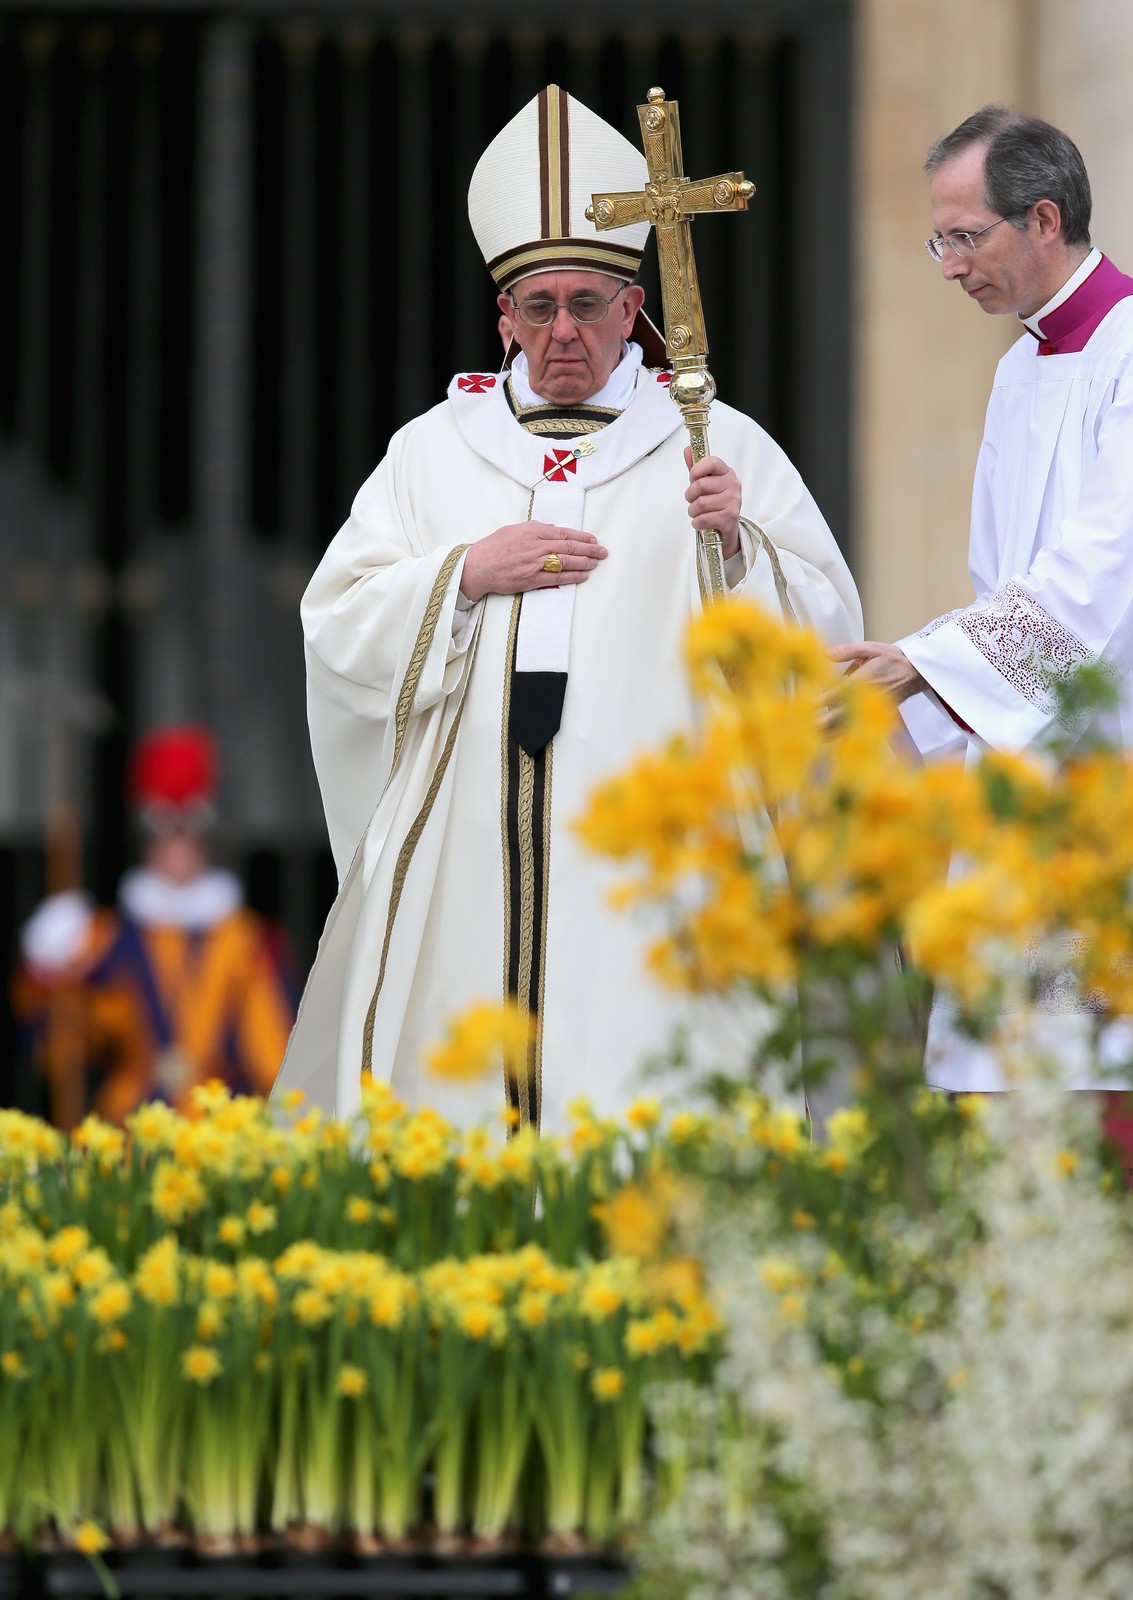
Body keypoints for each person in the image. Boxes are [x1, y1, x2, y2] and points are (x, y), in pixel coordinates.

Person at [275, 85, 862, 1134]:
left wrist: (738, 545)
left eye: (585, 305)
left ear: (631, 309)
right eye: (536, 307)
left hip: (652, 848)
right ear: (501, 316)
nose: (560, 333)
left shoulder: (714, 445)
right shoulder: (430, 453)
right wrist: (462, 572)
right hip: (467, 836)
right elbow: (339, 622)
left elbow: (822, 640)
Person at [832, 106, 1133, 1106]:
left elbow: (1097, 574)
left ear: (1040, 220)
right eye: (939, 241)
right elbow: (993, 583)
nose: (948, 265)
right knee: (1001, 1106)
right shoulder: (1015, 369)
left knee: (1095, 1097)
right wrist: (916, 682)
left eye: (963, 237)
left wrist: (927, 664)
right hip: (1021, 789)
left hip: (1112, 778)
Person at [12, 724, 298, 1125]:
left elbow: (276, 1058)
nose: (177, 846)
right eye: (165, 831)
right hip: (129, 1134)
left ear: (208, 836)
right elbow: (61, 1053)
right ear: (146, 837)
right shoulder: (104, 939)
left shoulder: (249, 942)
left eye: (189, 830)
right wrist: (47, 970)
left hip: (224, 1135)